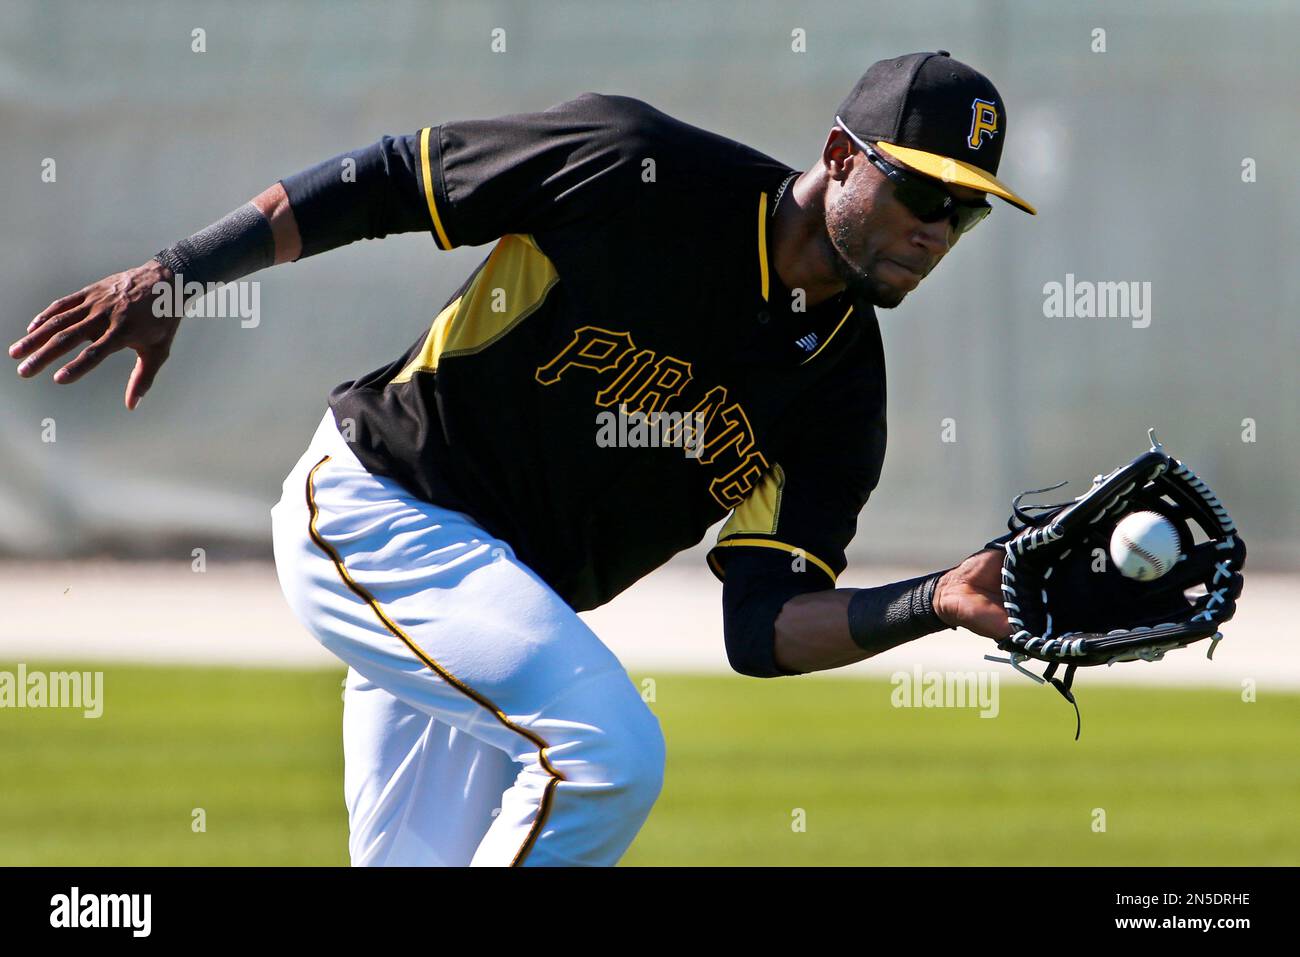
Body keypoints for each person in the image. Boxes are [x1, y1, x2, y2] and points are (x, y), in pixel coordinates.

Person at [10, 51, 1035, 866]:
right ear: (843, 155)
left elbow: (760, 627)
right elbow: (386, 181)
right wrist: (183, 271)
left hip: (498, 606)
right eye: (923, 191)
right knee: (609, 756)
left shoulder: (842, 389)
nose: (941, 229)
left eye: (968, 208)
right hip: (379, 507)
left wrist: (934, 599)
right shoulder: (639, 169)